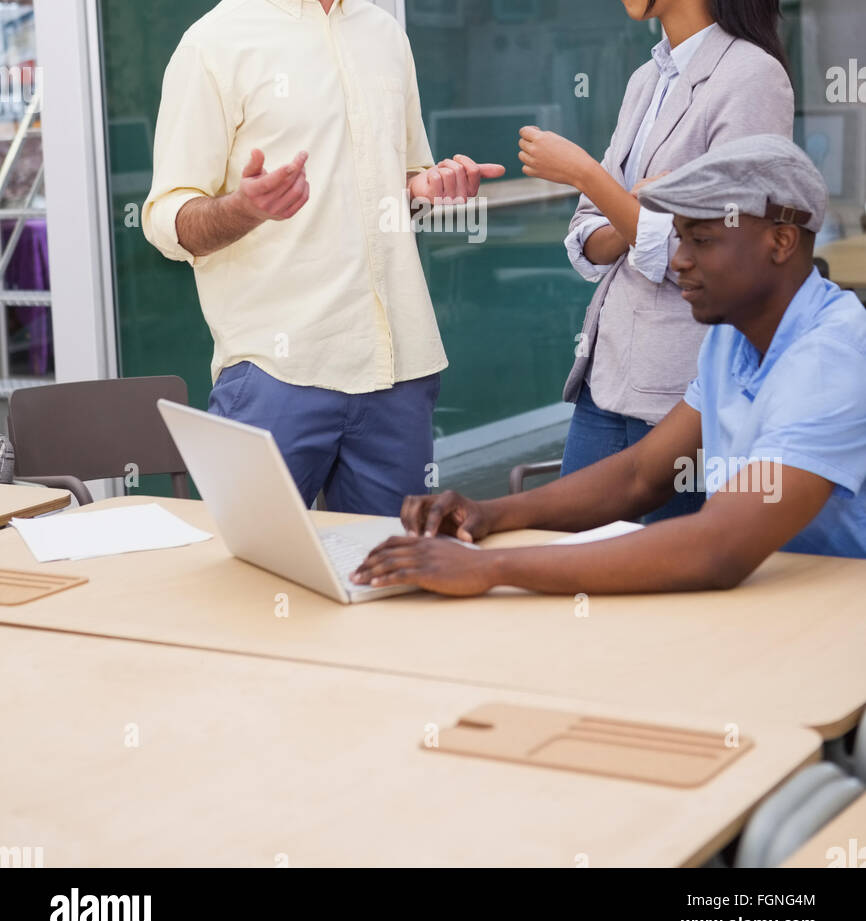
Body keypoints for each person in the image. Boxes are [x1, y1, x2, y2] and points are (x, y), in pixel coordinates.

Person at [143, 0, 503, 515]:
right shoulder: (215, 44)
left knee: (394, 588)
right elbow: (166, 217)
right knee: (253, 595)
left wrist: (431, 185)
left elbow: (401, 182)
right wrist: (244, 209)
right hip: (279, 374)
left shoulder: (383, 35)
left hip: (399, 370)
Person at [350, 136, 866, 595]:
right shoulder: (731, 337)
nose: (680, 258)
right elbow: (641, 475)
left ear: (781, 241)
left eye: (702, 240)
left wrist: (491, 568)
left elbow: (719, 550)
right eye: (681, 236)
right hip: (777, 601)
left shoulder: (830, 356)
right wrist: (486, 514)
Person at [517, 0, 794, 522]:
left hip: (681, 399)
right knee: (574, 578)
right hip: (604, 385)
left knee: (664, 607)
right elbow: (586, 237)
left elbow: (721, 257)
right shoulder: (650, 76)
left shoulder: (750, 78)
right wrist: (635, 206)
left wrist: (588, 176)